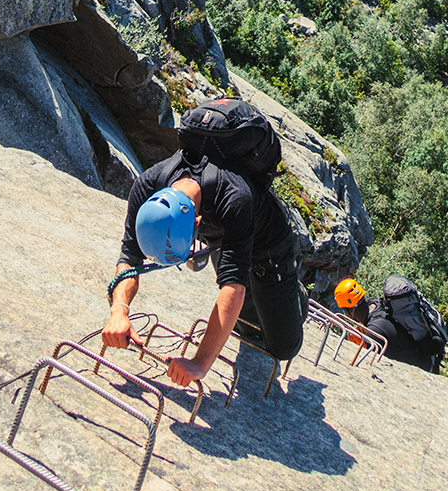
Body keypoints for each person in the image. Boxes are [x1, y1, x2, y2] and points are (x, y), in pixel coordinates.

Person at [102, 149, 305, 388]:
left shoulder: (235, 197)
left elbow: (233, 290)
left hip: (268, 246)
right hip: (225, 238)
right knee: (247, 327)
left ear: (197, 223)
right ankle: (245, 275)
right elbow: (128, 260)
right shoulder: (147, 186)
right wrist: (119, 311)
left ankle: (296, 295)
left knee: (282, 346)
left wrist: (200, 363)